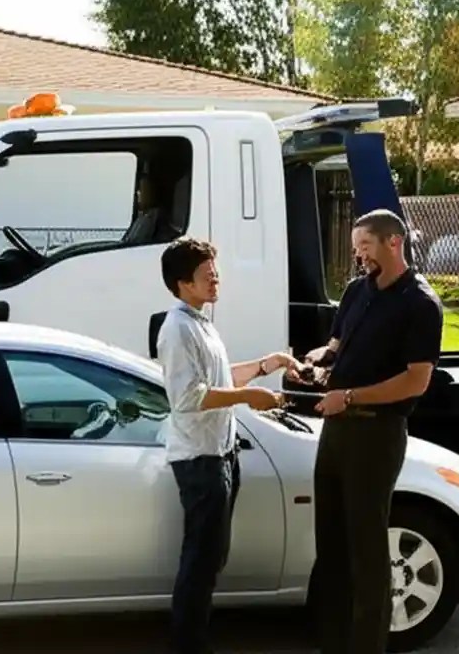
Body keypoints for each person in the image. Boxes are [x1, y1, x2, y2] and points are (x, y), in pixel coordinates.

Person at [298, 208, 444, 654]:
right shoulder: (356, 291)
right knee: (332, 546)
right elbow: (337, 346)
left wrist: (352, 396)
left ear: (393, 243)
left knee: (366, 550)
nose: (360, 257)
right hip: (337, 430)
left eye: (366, 247)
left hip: (377, 434)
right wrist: (316, 361)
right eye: (357, 248)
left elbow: (416, 379)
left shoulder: (420, 304)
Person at [156, 237, 299, 654]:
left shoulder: (199, 321)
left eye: (216, 272)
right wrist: (249, 398)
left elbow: (219, 377)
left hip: (221, 453)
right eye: (207, 274)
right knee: (201, 560)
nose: (216, 279)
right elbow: (189, 397)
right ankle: (189, 644)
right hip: (200, 460)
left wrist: (265, 365)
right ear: (183, 283)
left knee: (212, 556)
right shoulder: (178, 329)